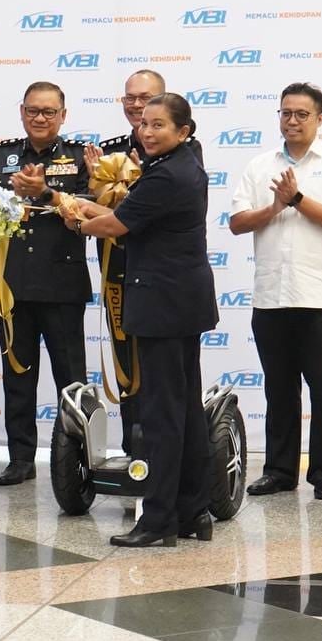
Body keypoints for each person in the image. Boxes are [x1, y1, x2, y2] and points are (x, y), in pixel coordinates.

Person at [66, 93, 218, 546]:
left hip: (164, 307)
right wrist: (90, 209)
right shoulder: (181, 165)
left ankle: (159, 521)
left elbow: (116, 226)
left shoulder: (167, 174)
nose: (147, 132)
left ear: (183, 131)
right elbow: (128, 216)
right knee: (186, 410)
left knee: (163, 416)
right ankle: (193, 511)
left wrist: (73, 217)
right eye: (143, 124)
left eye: (158, 125)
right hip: (180, 303)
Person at [229, 82, 322, 501]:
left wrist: (298, 198)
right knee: (278, 388)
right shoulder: (259, 165)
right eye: (285, 113)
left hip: (320, 297)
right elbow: (237, 222)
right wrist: (275, 207)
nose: (292, 120)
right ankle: (279, 470)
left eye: (302, 114)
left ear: (320, 119)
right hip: (271, 297)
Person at [0, 81, 92, 486]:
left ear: (63, 115)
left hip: (62, 284)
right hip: (12, 286)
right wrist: (8, 192)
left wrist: (45, 192)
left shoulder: (80, 157)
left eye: (48, 111)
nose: (40, 118)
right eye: (32, 110)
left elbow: (89, 209)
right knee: (18, 376)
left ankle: (78, 458)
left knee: (71, 378)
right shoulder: (1, 155)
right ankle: (21, 459)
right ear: (22, 112)